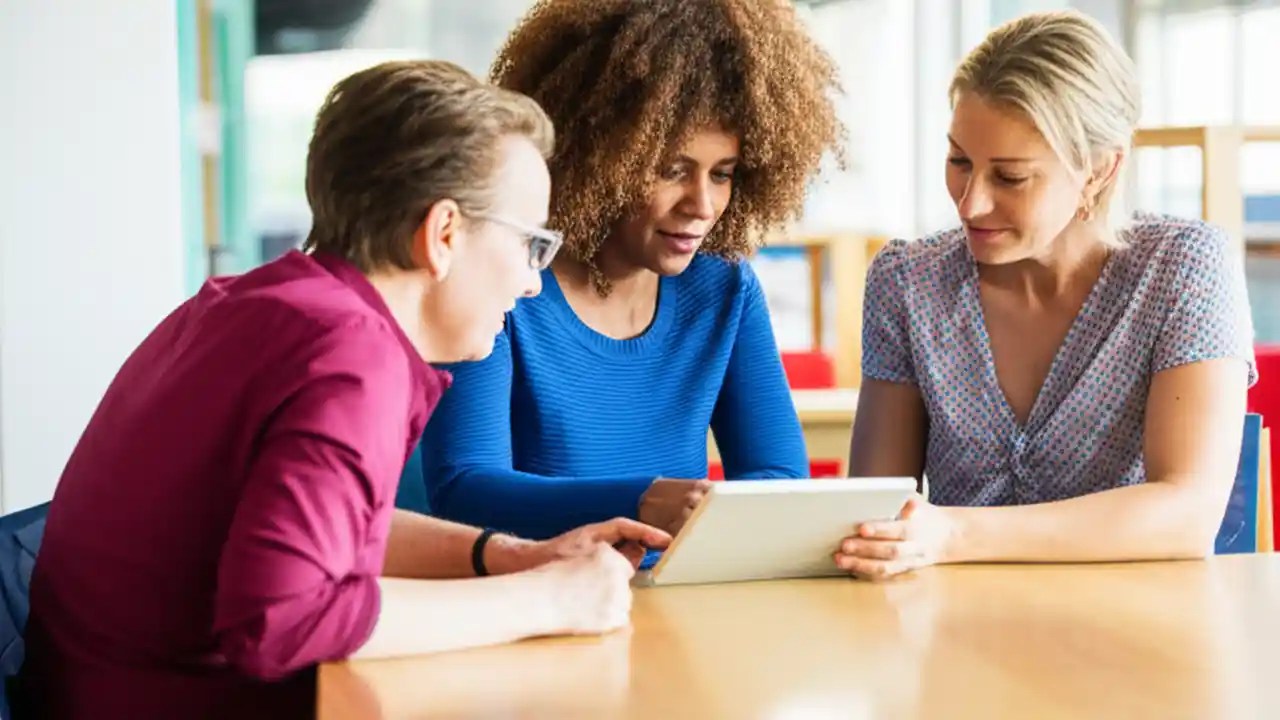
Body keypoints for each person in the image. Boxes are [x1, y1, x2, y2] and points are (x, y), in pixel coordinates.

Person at [15, 60, 669, 719]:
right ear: (443, 234)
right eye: (532, 244)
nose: (533, 283)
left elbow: (323, 527)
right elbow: (282, 621)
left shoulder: (255, 304)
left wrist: (512, 557)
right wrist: (552, 600)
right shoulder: (351, 359)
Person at [399, 0, 845, 540]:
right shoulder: (505, 288)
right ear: (603, 155)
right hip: (540, 595)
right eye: (673, 171)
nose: (702, 204)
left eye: (723, 174)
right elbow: (465, 487)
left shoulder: (723, 289)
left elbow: (778, 477)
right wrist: (641, 500)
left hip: (680, 600)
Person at [837, 10, 1256, 580]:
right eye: (959, 161)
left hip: (1141, 639)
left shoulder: (1182, 268)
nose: (970, 203)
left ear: (1099, 171)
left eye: (1009, 177)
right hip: (958, 637)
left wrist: (954, 533)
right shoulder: (908, 281)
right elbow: (872, 513)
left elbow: (1188, 514)